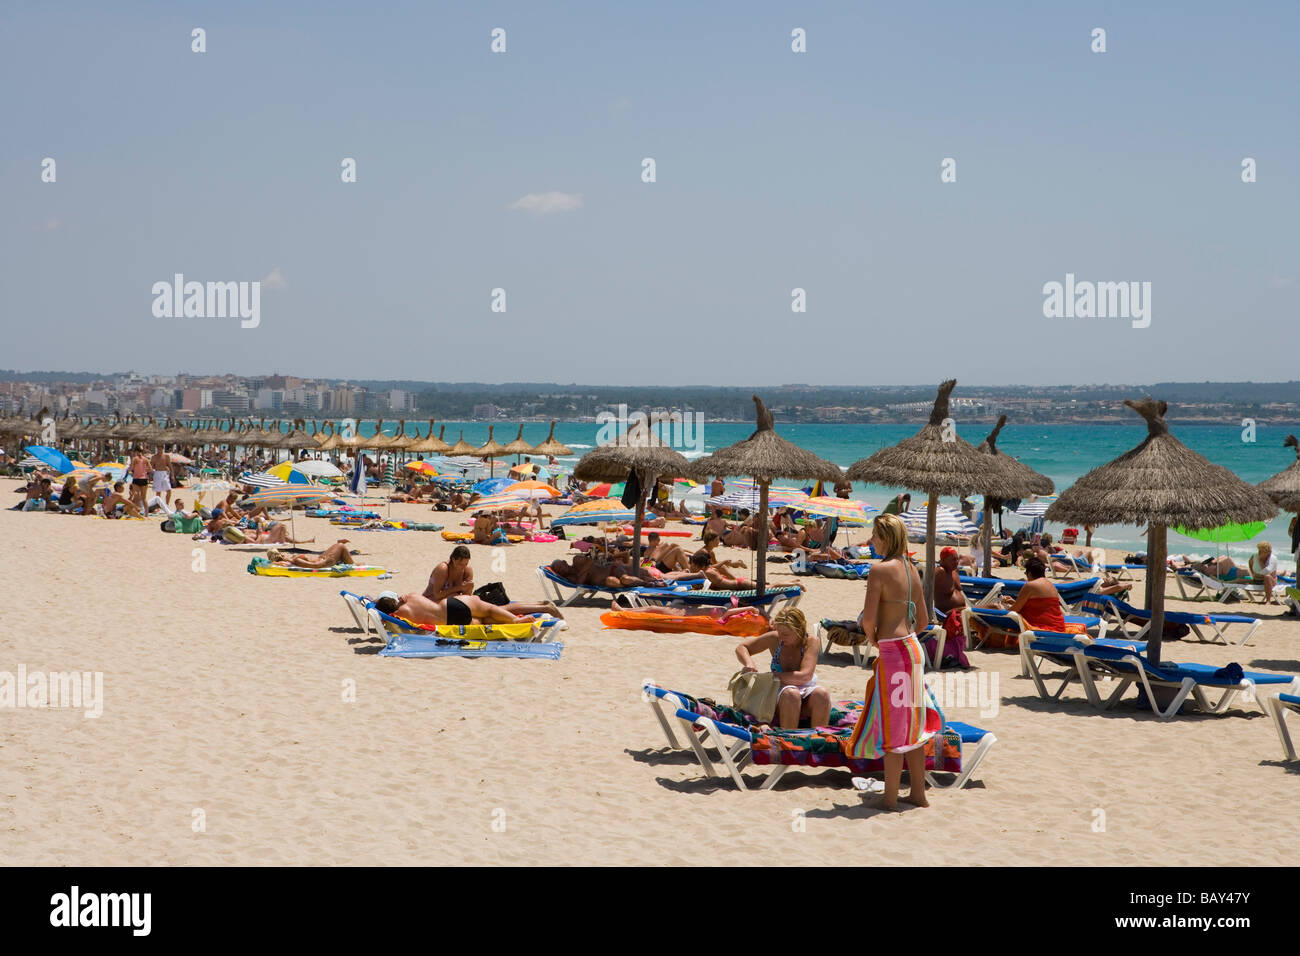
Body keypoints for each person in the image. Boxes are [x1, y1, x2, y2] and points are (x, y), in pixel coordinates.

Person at [846, 511, 938, 811]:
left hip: (894, 652)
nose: (872, 541)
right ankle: (917, 793)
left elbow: (868, 618)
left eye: (875, 535)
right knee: (913, 725)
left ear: (886, 537)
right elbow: (923, 620)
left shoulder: (880, 570)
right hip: (912, 648)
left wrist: (874, 638)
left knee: (895, 724)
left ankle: (889, 798)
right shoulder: (912, 569)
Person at [734, 608, 831, 730]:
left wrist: (772, 676)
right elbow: (742, 647)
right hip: (779, 693)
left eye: (785, 634)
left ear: (799, 630)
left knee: (822, 694)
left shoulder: (810, 642)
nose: (781, 637)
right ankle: (788, 741)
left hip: (803, 690)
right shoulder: (775, 638)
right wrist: (749, 663)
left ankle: (818, 741)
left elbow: (804, 676)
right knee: (791, 694)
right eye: (779, 632)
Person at [375, 590, 556, 626]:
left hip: (452, 623)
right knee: (492, 609)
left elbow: (386, 621)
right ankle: (518, 619)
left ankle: (517, 619)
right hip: (450, 605)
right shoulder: (410, 597)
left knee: (485, 620)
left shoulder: (399, 617)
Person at [1004, 557, 1072, 632]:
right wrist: (1014, 602)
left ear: (1029, 574)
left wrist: (1001, 612)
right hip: (1058, 627)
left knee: (994, 608)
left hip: (1042, 629)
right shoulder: (1050, 585)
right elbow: (1042, 608)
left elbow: (1015, 610)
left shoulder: (1030, 585)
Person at [266, 540, 354, 568]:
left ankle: (351, 563)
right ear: (281, 556)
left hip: (321, 557)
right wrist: (326, 560)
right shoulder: (296, 559)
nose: (284, 554)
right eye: (281, 554)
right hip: (325, 562)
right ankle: (353, 565)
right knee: (341, 546)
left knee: (338, 545)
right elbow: (314, 565)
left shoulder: (293, 559)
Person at [128, 447, 151, 513]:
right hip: (144, 478)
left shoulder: (135, 459)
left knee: (137, 496)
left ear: (136, 451)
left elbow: (131, 468)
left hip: (136, 478)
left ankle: (137, 511)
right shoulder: (146, 459)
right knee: (144, 498)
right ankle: (146, 513)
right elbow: (150, 469)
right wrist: (144, 471)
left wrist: (128, 470)